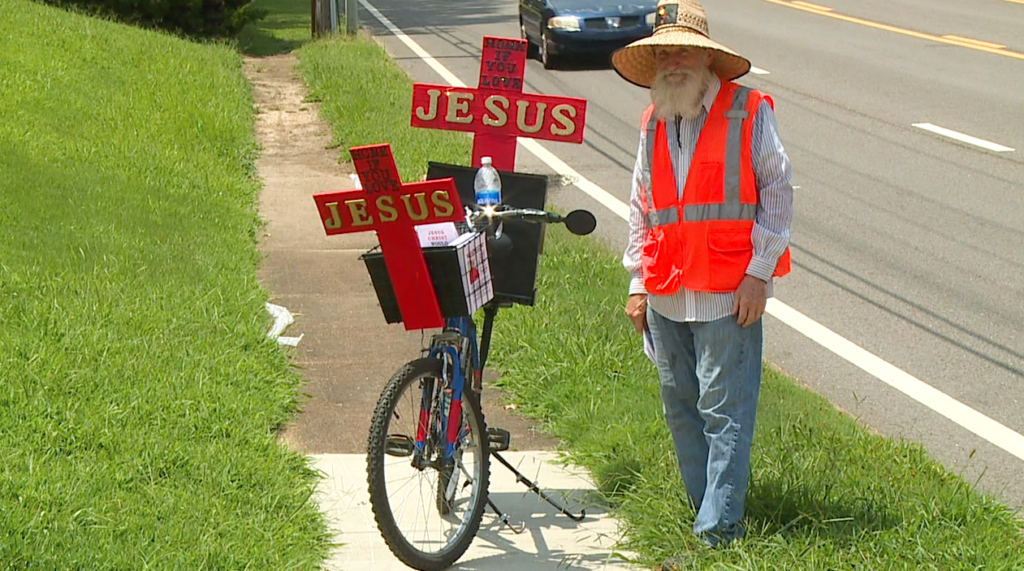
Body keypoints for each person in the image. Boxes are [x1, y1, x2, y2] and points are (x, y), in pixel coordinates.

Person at [611, 0, 794, 556]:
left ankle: (717, 533)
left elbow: (778, 195)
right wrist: (638, 280)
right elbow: (643, 203)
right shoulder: (653, 118)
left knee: (725, 411)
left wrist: (758, 275)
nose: (672, 61)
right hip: (667, 290)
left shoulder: (749, 110)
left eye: (683, 50)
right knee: (681, 407)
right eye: (663, 51)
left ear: (707, 58)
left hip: (726, 292)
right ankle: (704, 512)